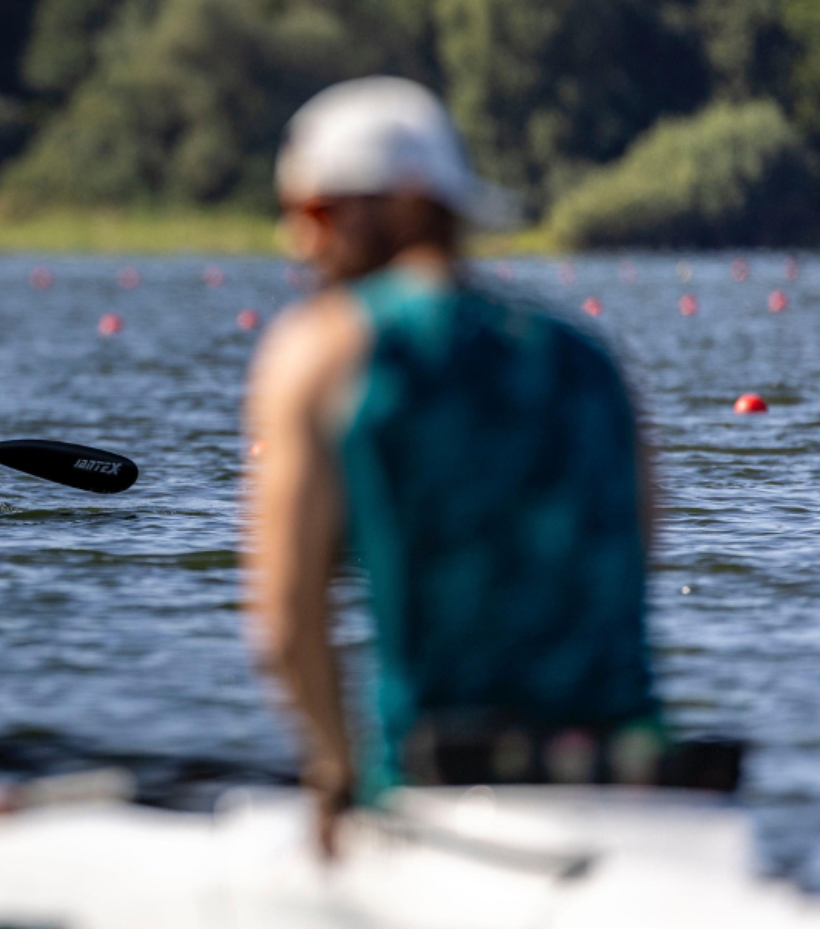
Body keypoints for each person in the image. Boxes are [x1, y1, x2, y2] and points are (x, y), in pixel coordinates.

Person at [245, 77, 662, 857]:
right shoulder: (590, 357)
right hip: (646, 774)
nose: (298, 243)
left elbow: (284, 626)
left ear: (403, 205)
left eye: (316, 214)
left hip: (447, 780)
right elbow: (634, 555)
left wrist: (339, 778)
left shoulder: (321, 350)